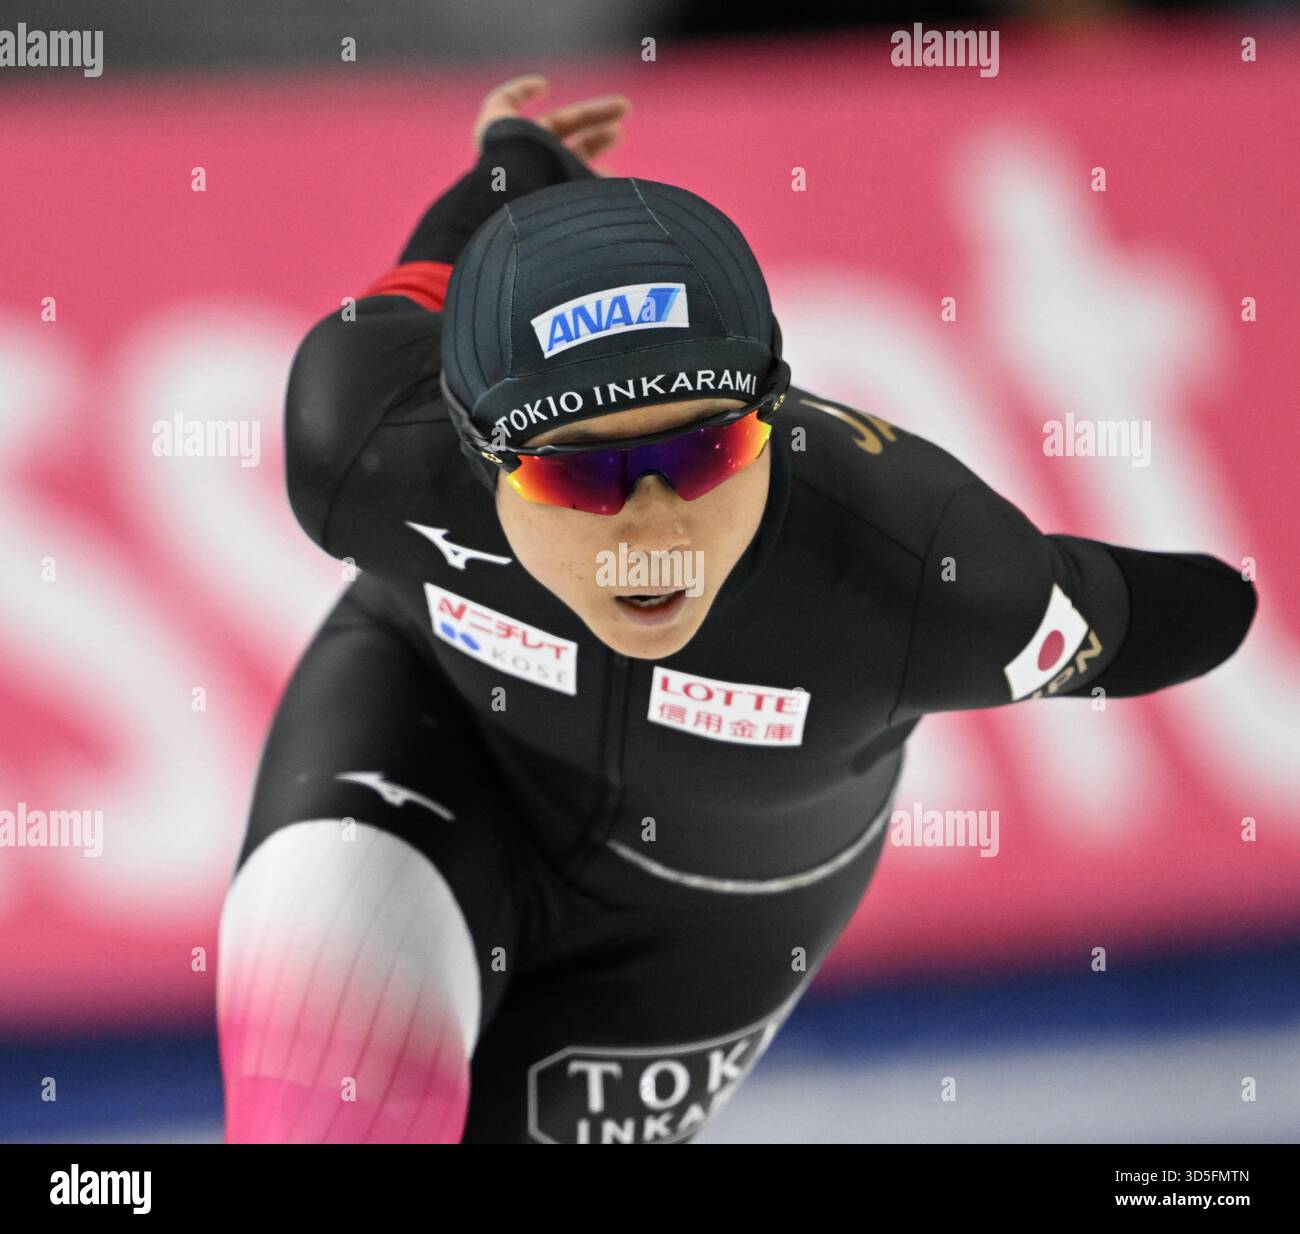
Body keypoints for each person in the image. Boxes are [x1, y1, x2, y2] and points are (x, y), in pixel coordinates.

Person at [215, 75, 1258, 1144]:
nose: (655, 531)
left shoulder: (920, 571)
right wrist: (515, 155)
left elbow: (1182, 615)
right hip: (427, 743)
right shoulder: (360, 443)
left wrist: (1247, 589)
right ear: (473, 454)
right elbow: (454, 248)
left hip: (702, 930)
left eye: (707, 449)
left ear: (774, 415)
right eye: (582, 478)